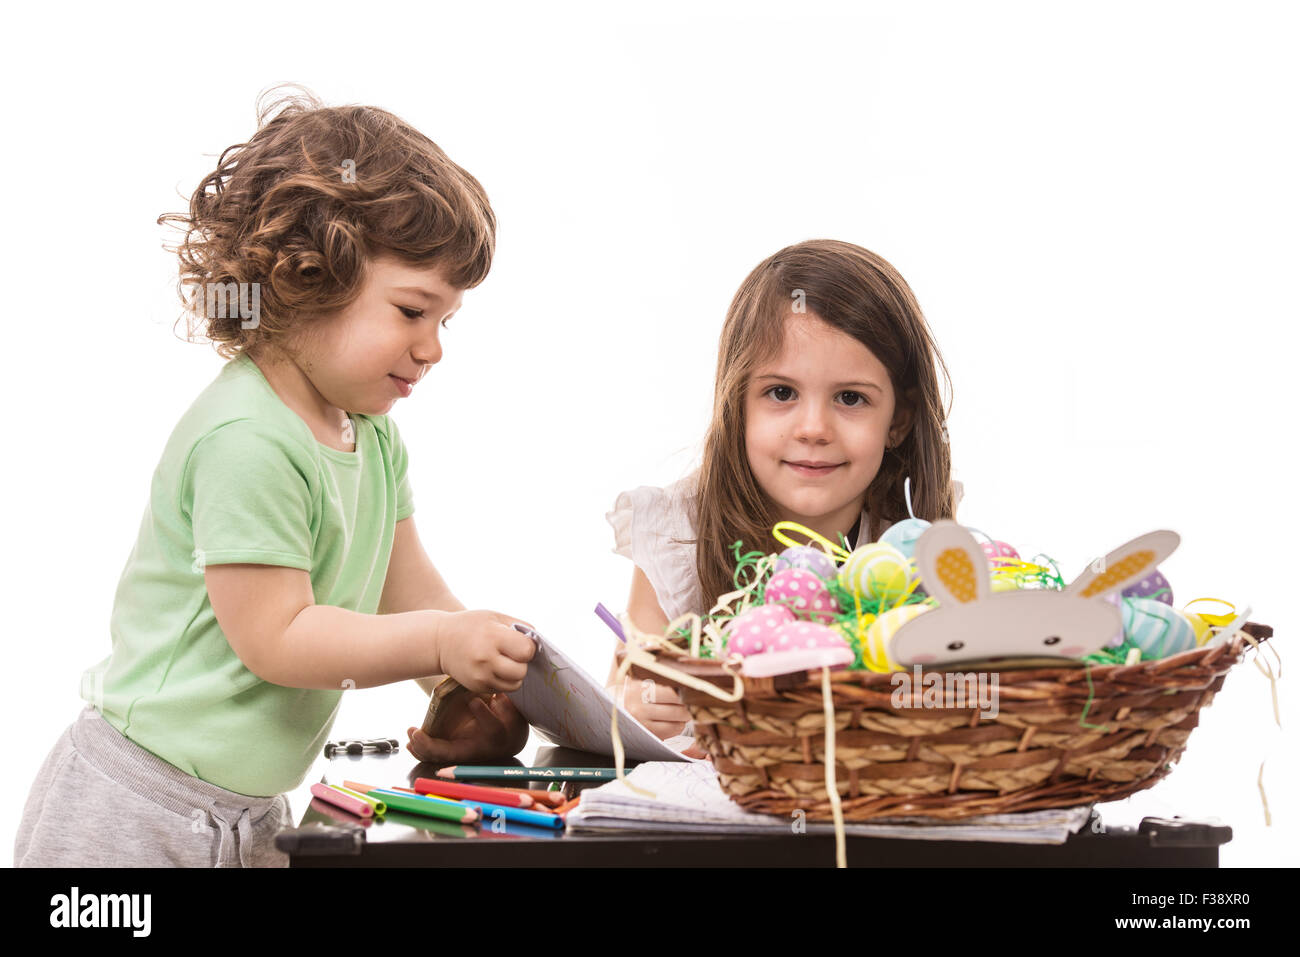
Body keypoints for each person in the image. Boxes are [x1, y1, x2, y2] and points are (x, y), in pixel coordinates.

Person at [14, 85, 534, 867]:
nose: (433, 348)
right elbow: (279, 637)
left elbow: (410, 592)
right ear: (307, 278)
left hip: (246, 811)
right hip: (137, 809)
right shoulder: (247, 438)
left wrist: (463, 683)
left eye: (445, 320)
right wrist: (441, 640)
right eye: (412, 310)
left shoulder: (373, 439)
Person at [605, 239, 962, 739]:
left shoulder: (910, 541)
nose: (813, 429)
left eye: (850, 398)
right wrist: (638, 704)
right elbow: (626, 683)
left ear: (899, 420)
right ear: (738, 405)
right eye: (781, 392)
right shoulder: (679, 533)